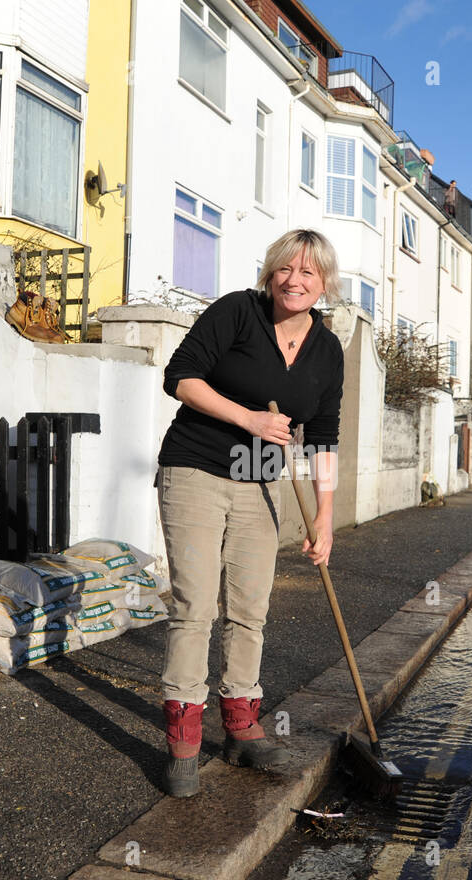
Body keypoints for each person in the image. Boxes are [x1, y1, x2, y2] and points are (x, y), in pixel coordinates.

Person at [154, 229, 344, 797]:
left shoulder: (328, 349)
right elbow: (180, 378)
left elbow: (323, 440)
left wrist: (326, 517)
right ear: (271, 272)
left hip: (259, 482)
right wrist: (250, 420)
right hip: (196, 471)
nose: (296, 281)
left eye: (309, 273)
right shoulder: (237, 312)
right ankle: (184, 738)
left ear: (324, 283)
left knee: (250, 608)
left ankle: (240, 726)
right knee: (195, 604)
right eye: (287, 269)